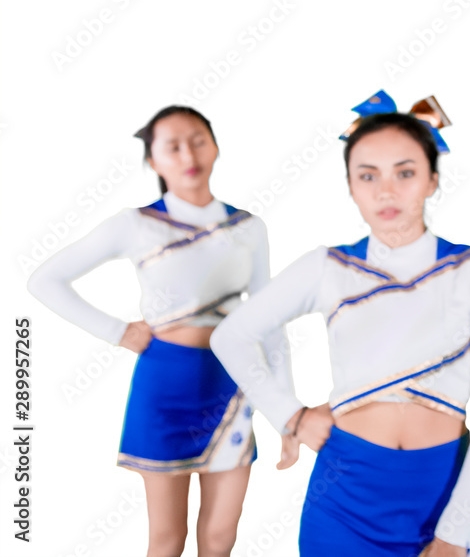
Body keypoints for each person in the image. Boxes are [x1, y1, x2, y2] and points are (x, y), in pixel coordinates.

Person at [210, 90, 470, 556]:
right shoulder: (327, 267)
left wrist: (455, 531)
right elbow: (231, 336)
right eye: (368, 176)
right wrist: (289, 417)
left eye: (406, 172)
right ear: (351, 186)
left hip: (442, 495)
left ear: (433, 179)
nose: (386, 191)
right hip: (343, 500)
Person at [26, 106, 294, 557]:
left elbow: (268, 321)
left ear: (215, 145)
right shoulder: (135, 224)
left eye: (197, 140)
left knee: (219, 537)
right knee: (168, 539)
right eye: (172, 146)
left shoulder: (248, 227)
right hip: (164, 386)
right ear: (153, 160)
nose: (188, 153)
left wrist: (286, 410)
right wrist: (116, 331)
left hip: (232, 388)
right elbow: (43, 281)